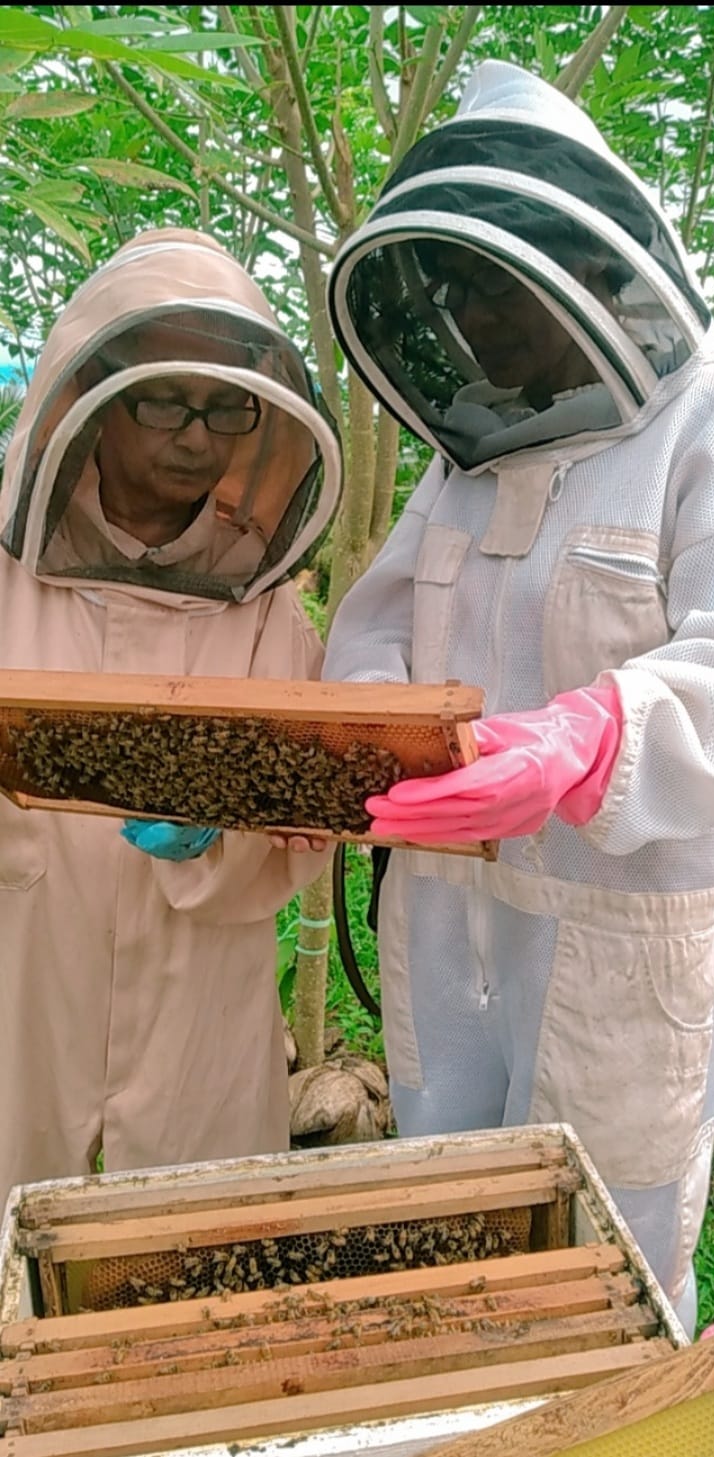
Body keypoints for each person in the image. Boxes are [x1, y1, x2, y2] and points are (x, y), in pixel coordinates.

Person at [323, 59, 714, 1333]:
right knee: (445, 1231)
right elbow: (374, 632)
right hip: (447, 911)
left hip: (621, 931)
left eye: (493, 287)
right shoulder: (468, 458)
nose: (472, 324)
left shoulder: (701, 422)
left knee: (607, 1270)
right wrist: (358, 736)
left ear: (591, 265)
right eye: (451, 294)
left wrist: (591, 737)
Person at [0, 227, 340, 1208]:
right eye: (164, 399)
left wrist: (222, 831)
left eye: (226, 405)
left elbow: (306, 816)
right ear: (94, 399)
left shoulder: (267, 612)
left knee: (197, 1248)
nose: (197, 435)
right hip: (25, 985)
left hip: (203, 1004)